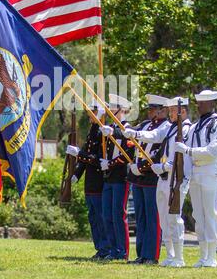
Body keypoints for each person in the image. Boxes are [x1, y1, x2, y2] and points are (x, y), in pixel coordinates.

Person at [126, 97, 192, 267]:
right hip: (164, 178)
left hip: (176, 178)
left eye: (172, 110)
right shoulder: (170, 129)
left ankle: (178, 257)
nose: (169, 113)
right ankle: (170, 255)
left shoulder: (186, 130)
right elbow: (155, 136)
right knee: (164, 219)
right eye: (168, 110)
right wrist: (136, 134)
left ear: (182, 111)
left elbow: (181, 157)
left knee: (174, 218)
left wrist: (164, 166)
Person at [174, 90, 217, 268]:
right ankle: (203, 255)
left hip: (211, 169)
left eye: (203, 103)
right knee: (198, 214)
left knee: (210, 212)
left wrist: (188, 151)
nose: (199, 106)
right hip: (197, 171)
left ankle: (212, 256)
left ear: (212, 103)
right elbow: (186, 149)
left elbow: (213, 151)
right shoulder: (197, 125)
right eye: (198, 102)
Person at [125, 94, 169, 265]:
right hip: (138, 178)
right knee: (141, 217)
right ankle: (141, 254)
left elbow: (154, 138)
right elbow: (130, 132)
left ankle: (151, 255)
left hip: (152, 177)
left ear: (162, 110)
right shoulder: (146, 124)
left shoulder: (166, 126)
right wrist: (116, 130)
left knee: (153, 218)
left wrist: (135, 133)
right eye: (149, 109)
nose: (150, 112)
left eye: (153, 109)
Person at [66, 101, 109, 260]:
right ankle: (99, 248)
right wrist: (77, 173)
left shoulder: (103, 132)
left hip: (99, 181)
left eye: (92, 111)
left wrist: (79, 154)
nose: (89, 114)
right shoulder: (93, 130)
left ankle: (105, 248)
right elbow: (86, 154)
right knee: (93, 217)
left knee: (100, 217)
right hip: (90, 182)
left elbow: (97, 159)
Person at [99, 94, 134, 261]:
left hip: (121, 177)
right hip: (109, 178)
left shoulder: (128, 129)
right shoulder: (111, 128)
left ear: (122, 110)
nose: (111, 111)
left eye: (113, 108)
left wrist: (110, 164)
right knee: (107, 215)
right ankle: (113, 250)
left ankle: (123, 251)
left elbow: (128, 154)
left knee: (118, 215)